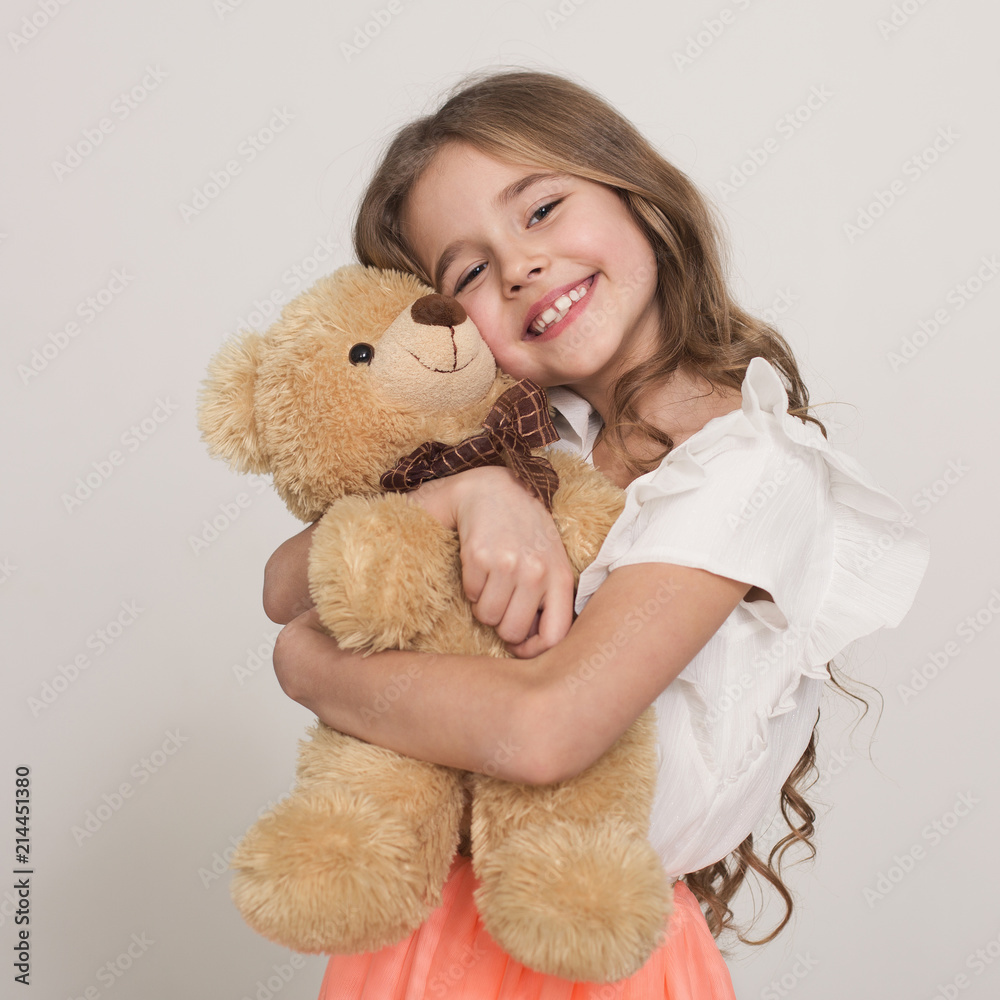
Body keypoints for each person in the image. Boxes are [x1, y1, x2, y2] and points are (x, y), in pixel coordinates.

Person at [261, 70, 929, 999]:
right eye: (467, 271)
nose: (520, 267)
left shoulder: (751, 470)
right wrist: (471, 494)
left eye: (540, 209)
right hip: (416, 939)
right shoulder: (531, 445)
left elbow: (547, 731)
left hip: (590, 950)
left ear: (637, 196)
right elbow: (286, 582)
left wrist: (307, 668)